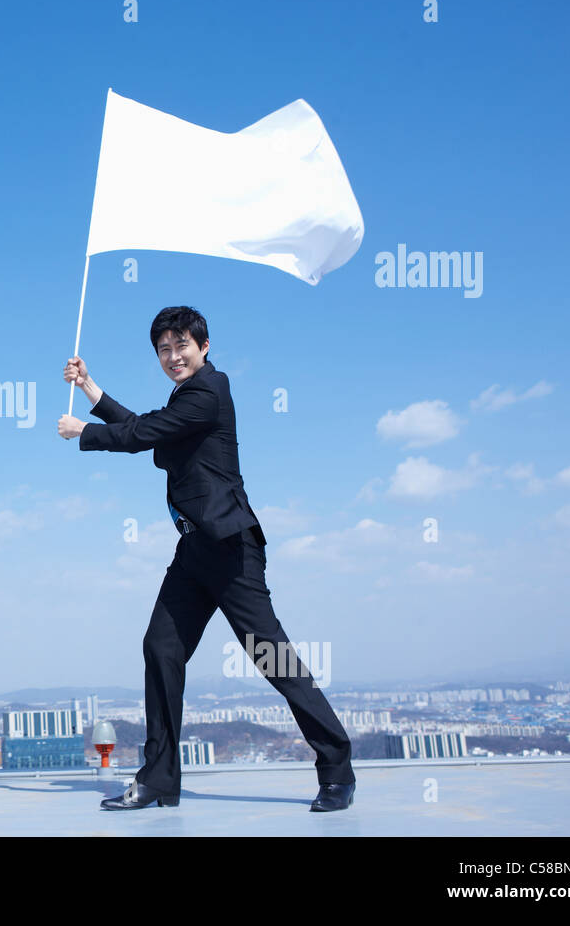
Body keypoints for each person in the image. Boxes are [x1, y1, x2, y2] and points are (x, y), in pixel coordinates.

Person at [56, 305, 355, 812]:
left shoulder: (210, 391)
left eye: (181, 346)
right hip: (193, 549)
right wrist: (90, 390)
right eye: (163, 350)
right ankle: (158, 779)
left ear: (204, 347)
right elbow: (144, 426)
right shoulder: (185, 401)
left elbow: (140, 435)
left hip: (230, 549)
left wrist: (83, 432)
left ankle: (337, 770)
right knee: (161, 648)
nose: (173, 357)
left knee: (273, 660)